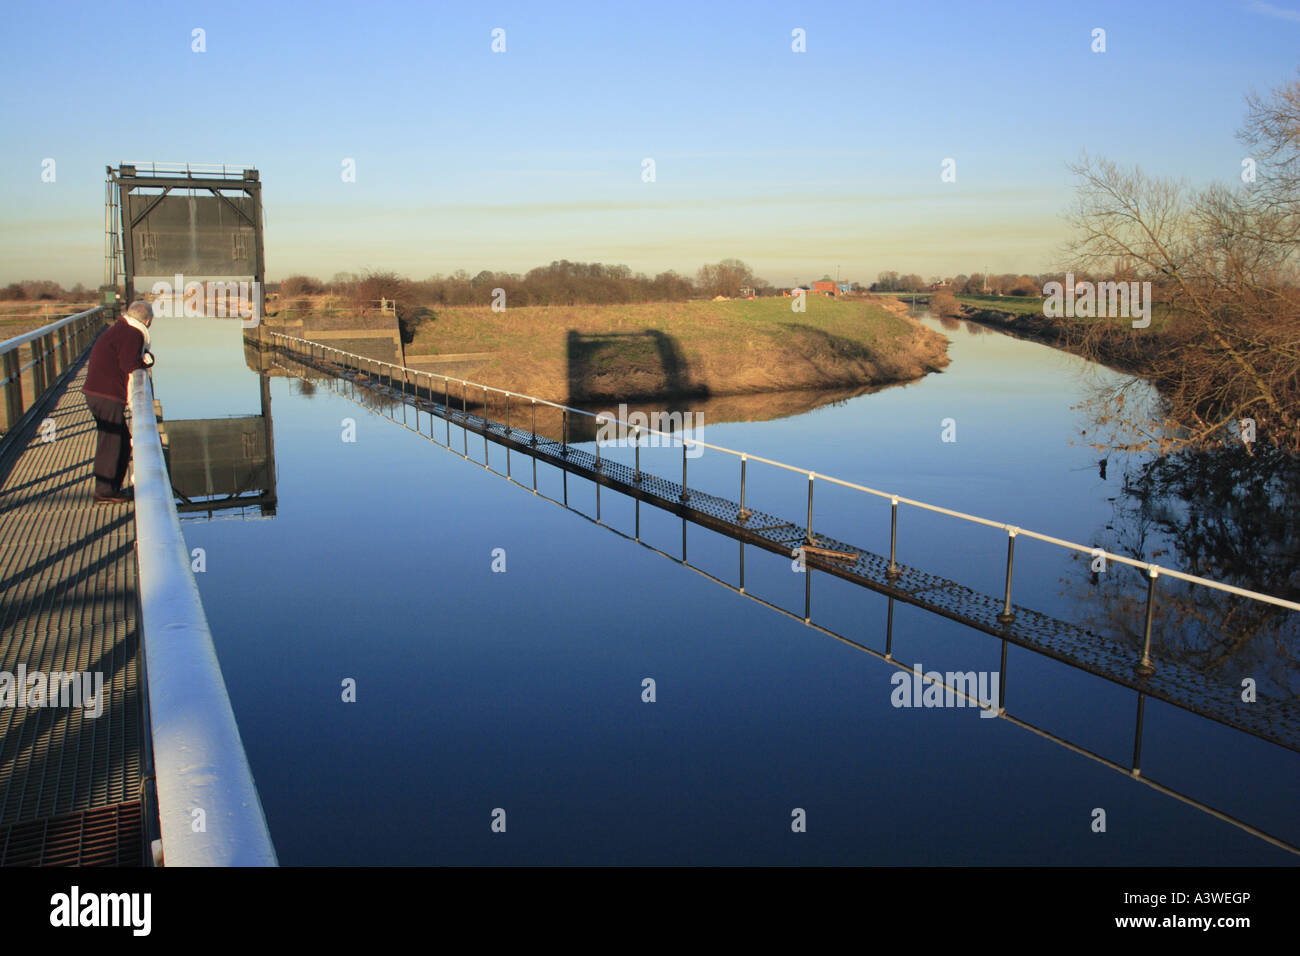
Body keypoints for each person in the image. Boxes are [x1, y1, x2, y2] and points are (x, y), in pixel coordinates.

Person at [82, 299, 156, 504]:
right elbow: (128, 364)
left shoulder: (122, 328)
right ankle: (104, 492)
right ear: (147, 321)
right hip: (106, 395)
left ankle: (110, 489)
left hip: (97, 393)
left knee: (121, 440)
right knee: (112, 442)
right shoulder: (133, 334)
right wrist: (146, 362)